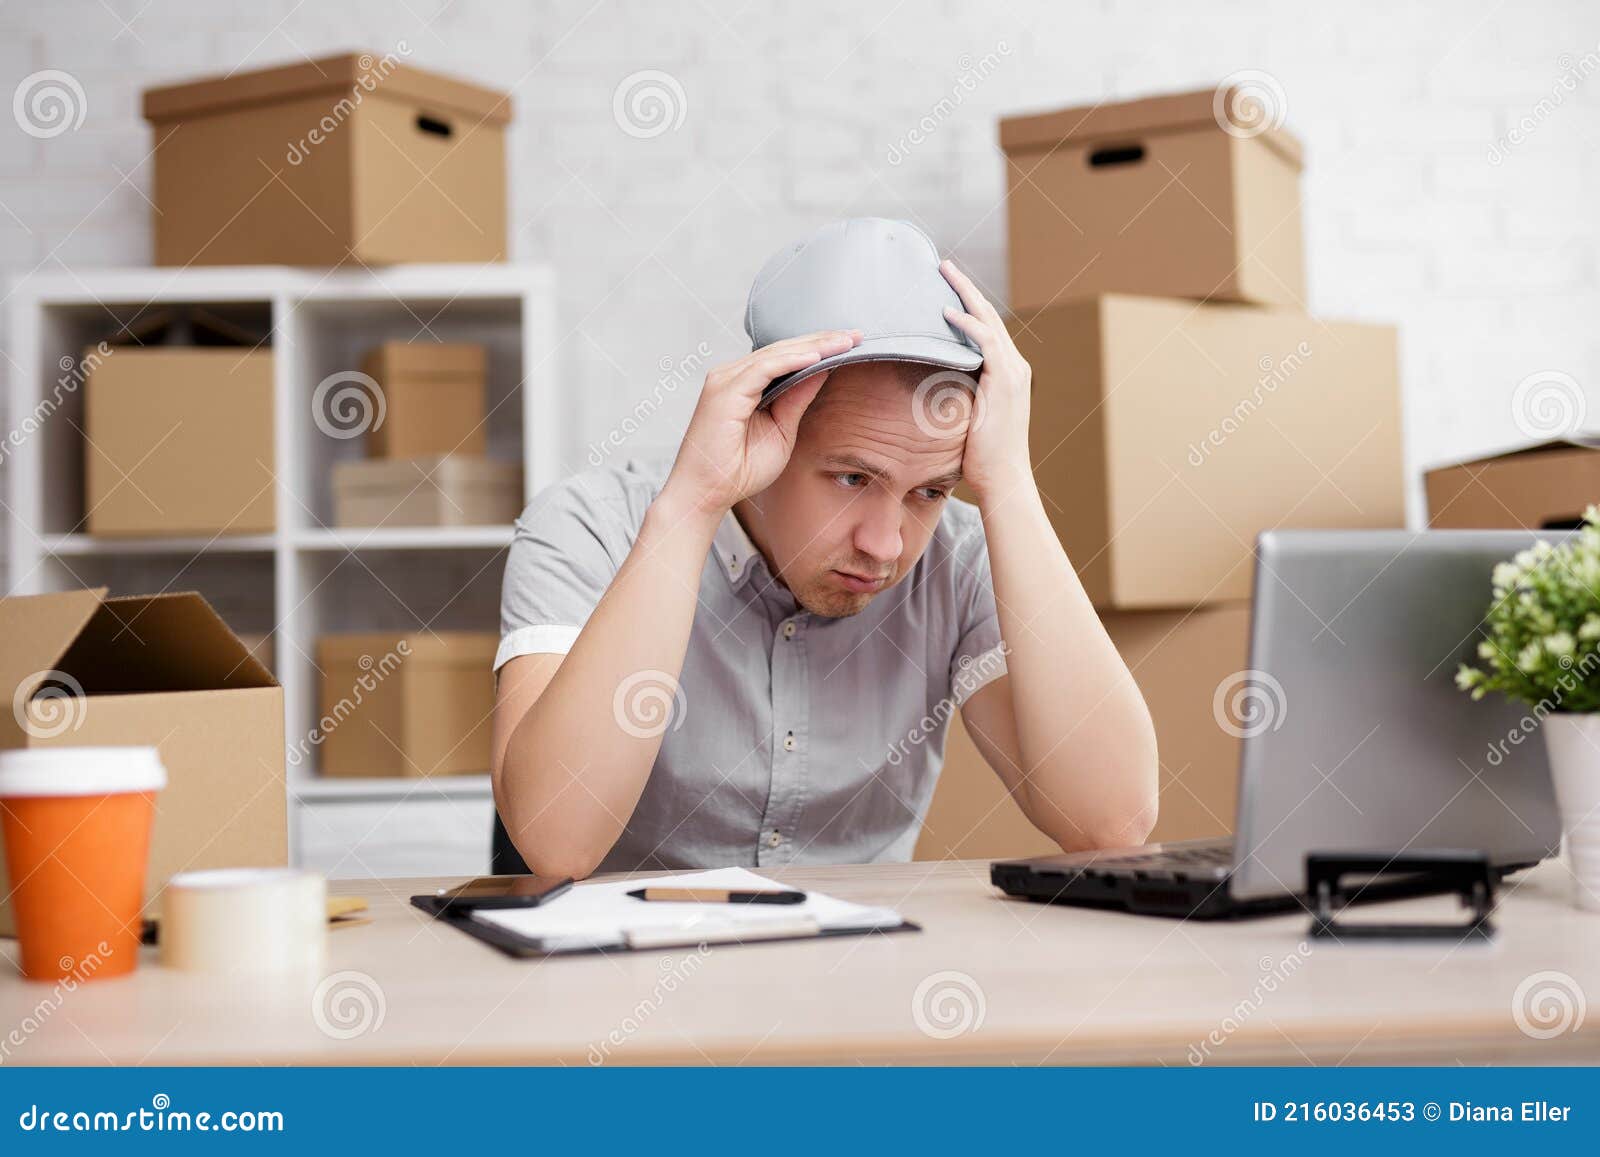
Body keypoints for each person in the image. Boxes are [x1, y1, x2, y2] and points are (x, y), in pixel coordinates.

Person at [490, 218, 1157, 878]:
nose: (886, 544)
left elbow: (1111, 823)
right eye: (852, 478)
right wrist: (693, 505)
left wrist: (1008, 481)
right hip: (625, 974)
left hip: (862, 969)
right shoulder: (587, 527)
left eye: (929, 491)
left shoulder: (959, 558)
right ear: (763, 423)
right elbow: (555, 842)